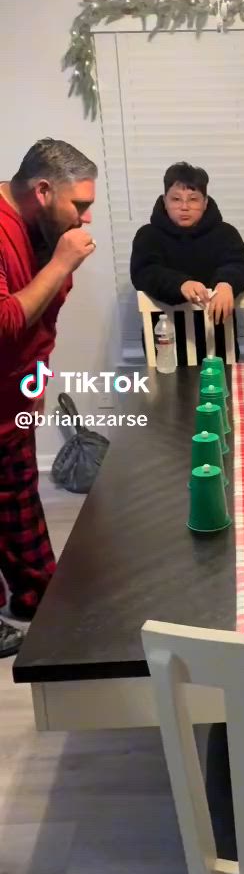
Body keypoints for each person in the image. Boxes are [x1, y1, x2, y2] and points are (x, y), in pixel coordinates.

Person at [0, 139, 98, 657]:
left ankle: (36, 595)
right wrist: (61, 263)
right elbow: (5, 321)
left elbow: (42, 324)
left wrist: (34, 386)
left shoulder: (42, 231)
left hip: (11, 394)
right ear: (42, 190)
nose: (83, 220)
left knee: (18, 497)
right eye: (78, 206)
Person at [130, 164, 244, 363]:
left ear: (205, 202)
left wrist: (226, 283)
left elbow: (240, 265)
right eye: (176, 199)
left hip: (218, 338)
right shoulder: (148, 235)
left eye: (193, 199)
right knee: (167, 392)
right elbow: (144, 272)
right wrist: (181, 283)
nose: (184, 207)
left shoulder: (225, 233)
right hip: (166, 339)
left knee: (222, 391)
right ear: (165, 201)